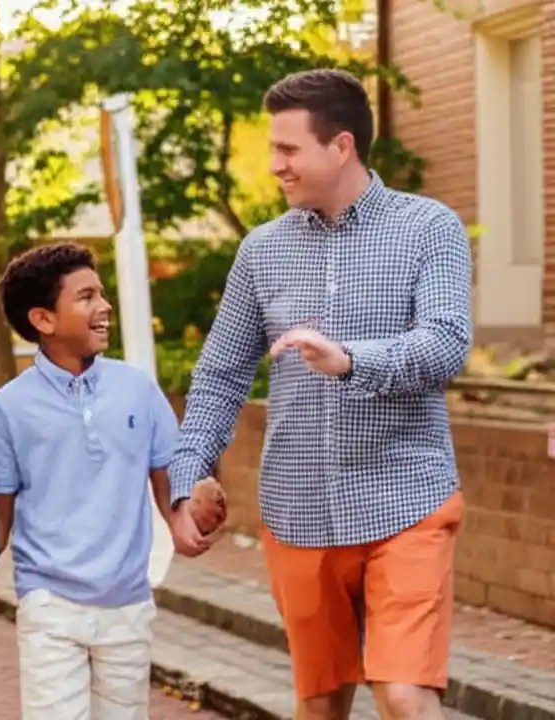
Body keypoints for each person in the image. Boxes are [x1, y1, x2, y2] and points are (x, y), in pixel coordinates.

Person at [169, 69, 471, 720]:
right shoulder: (262, 251)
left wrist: (349, 360)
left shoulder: (429, 229)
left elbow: (447, 343)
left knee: (404, 693)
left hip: (407, 500)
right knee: (320, 700)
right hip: (299, 511)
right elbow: (220, 372)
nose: (274, 165)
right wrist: (187, 477)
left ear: (340, 146)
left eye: (287, 150)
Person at [0, 243, 207, 719]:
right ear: (43, 320)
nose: (104, 307)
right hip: (49, 603)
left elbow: (169, 477)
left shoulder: (137, 389)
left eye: (101, 294)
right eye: (86, 297)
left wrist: (184, 523)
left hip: (128, 600)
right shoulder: (8, 408)